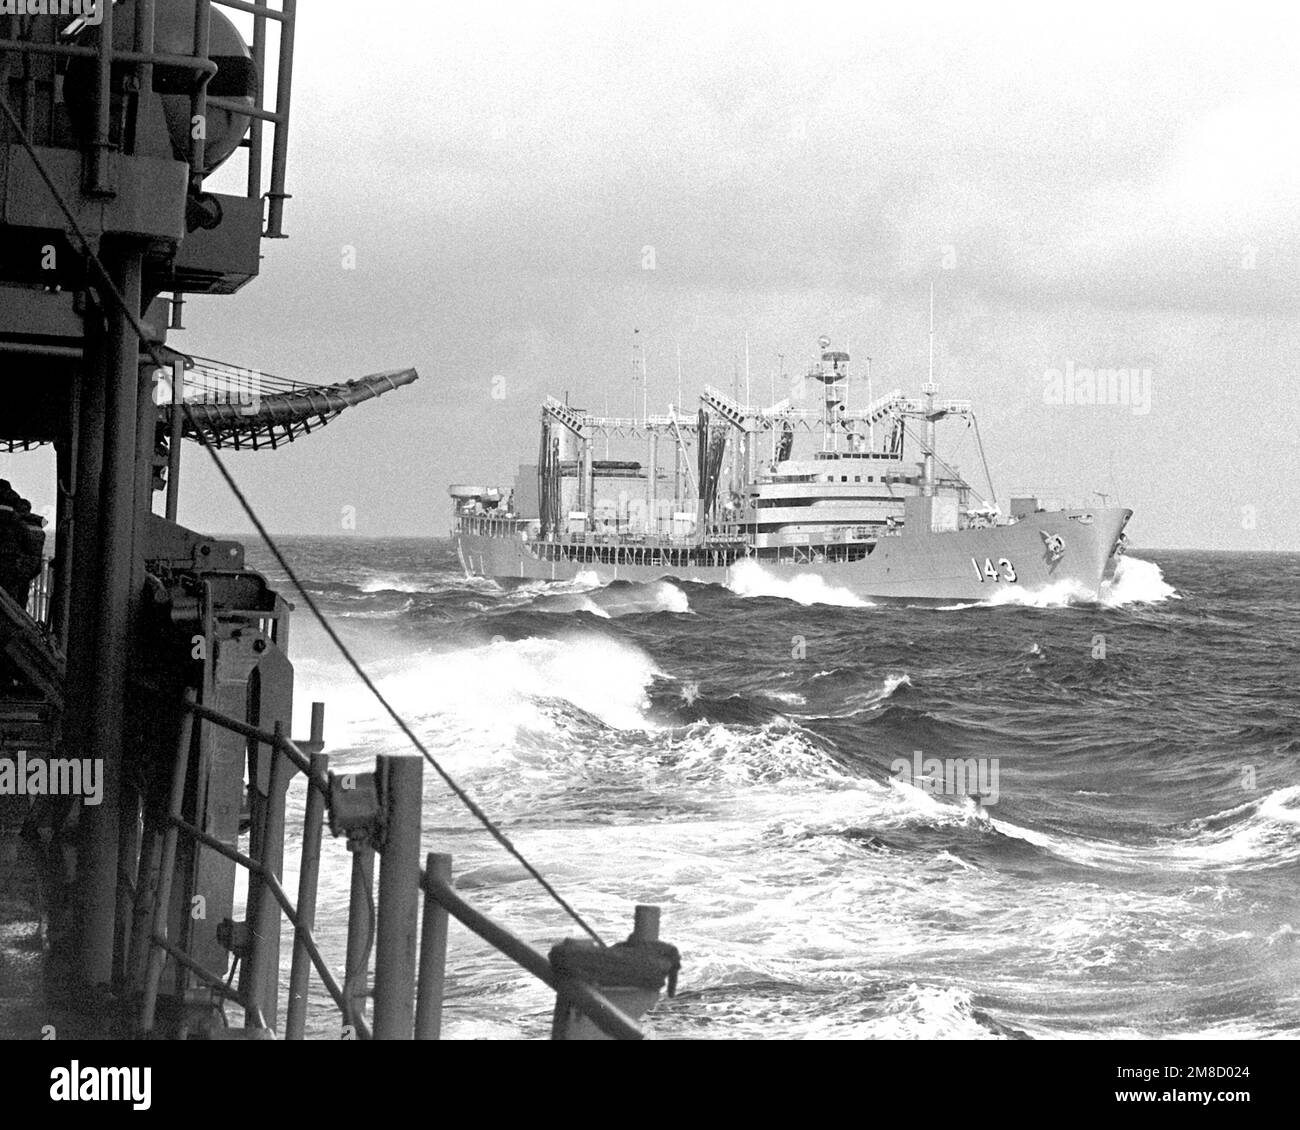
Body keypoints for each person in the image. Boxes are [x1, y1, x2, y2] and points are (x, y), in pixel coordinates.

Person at [0, 479, 46, 608]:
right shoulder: (20, 524)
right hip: (15, 573)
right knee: (14, 606)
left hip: (12, 571)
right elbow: (31, 550)